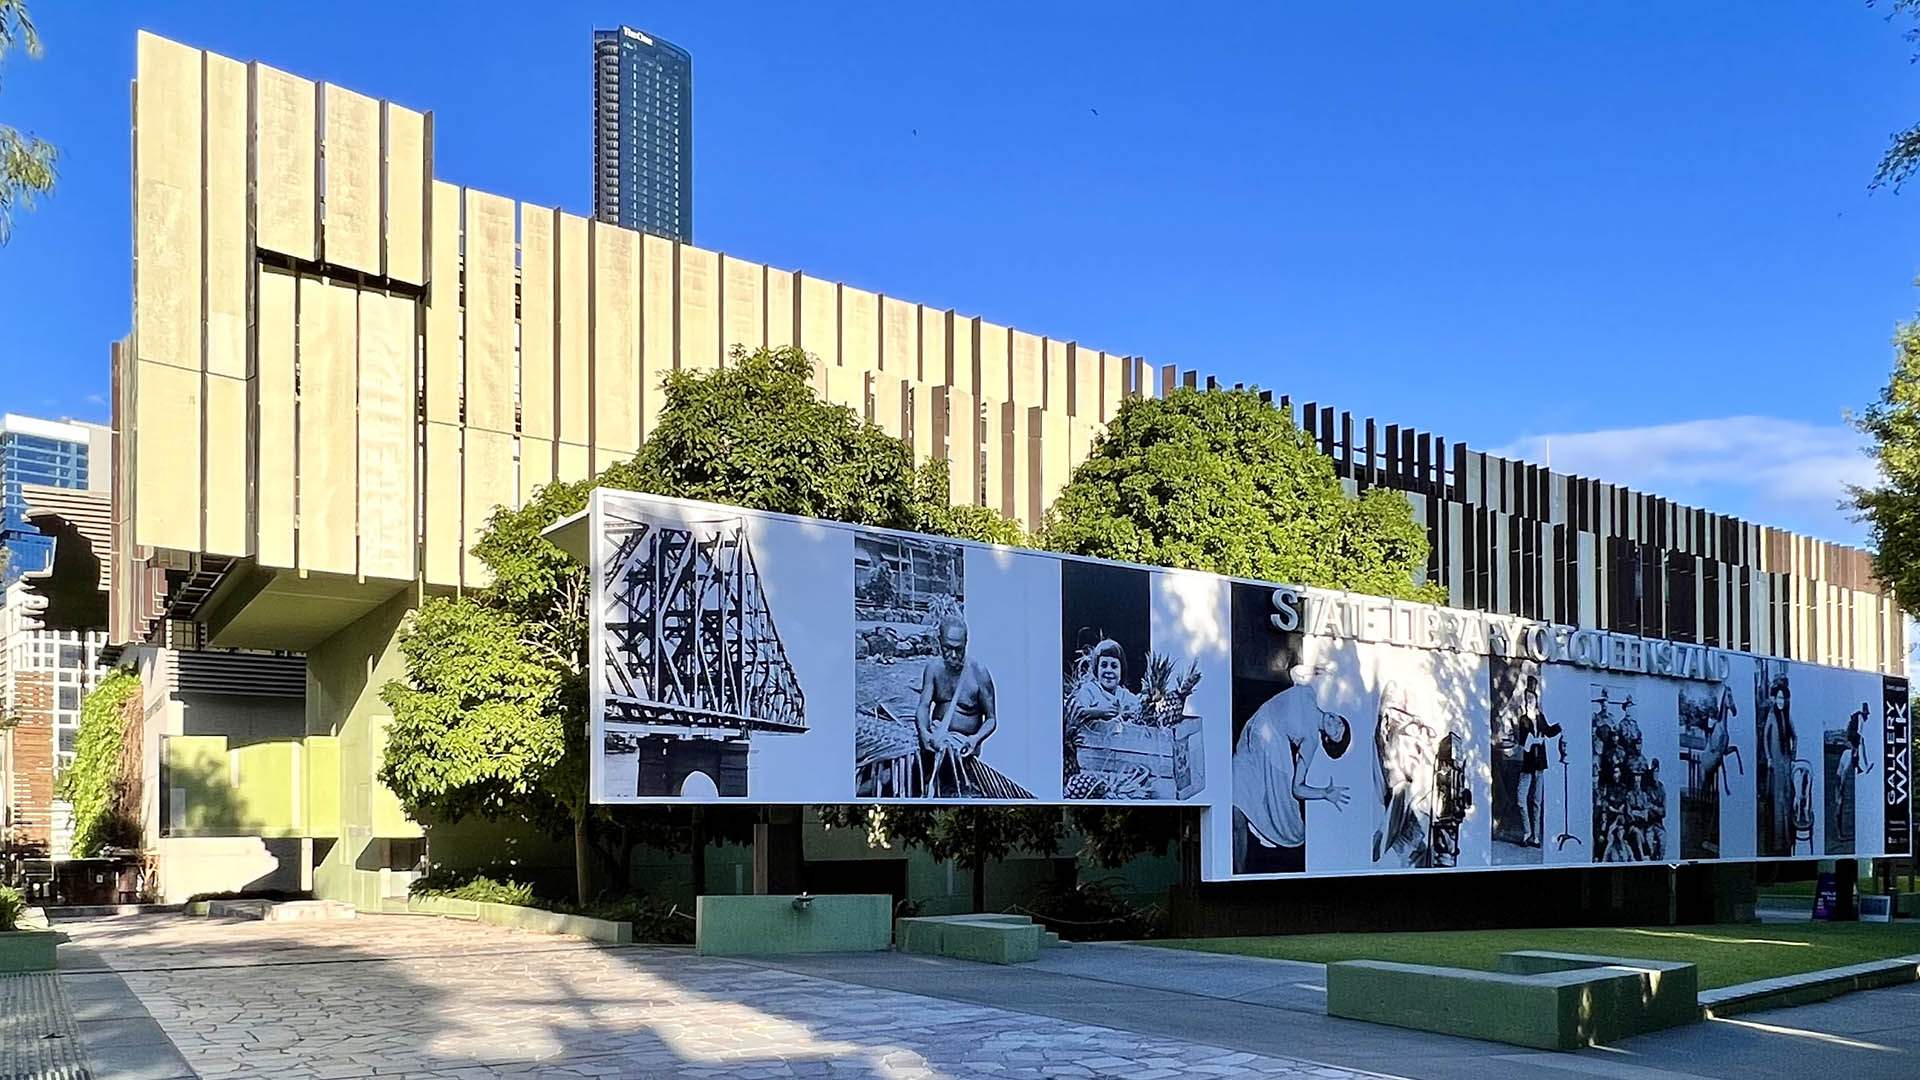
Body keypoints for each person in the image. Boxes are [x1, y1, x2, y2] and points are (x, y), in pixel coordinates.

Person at [1233, 682, 1353, 873]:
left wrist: (1324, 793)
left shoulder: (1311, 741)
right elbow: (1297, 673)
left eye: (1338, 732)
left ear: (1328, 740)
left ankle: (1236, 877)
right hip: (1253, 734)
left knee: (1237, 812)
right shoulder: (1310, 692)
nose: (1337, 724)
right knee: (1236, 803)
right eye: (1341, 722)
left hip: (1270, 755)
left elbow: (1297, 787)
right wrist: (1320, 672)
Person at [915, 613, 998, 792]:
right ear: (939, 643)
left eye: (959, 649)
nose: (953, 655)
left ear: (966, 644)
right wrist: (923, 731)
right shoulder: (933, 669)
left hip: (962, 752)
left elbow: (991, 719)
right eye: (948, 648)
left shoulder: (979, 674)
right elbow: (923, 706)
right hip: (936, 744)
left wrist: (975, 739)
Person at [1373, 681, 1440, 863]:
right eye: (1413, 730)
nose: (1420, 749)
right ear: (1385, 729)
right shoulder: (1374, 817)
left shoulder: (1420, 803)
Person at [1516, 676, 1562, 848]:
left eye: (1532, 698)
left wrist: (1559, 727)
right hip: (1527, 765)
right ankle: (1526, 832)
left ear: (1536, 700)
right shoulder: (1523, 719)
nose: (1530, 701)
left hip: (1540, 766)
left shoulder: (1540, 717)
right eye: (1527, 698)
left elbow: (1548, 732)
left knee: (1537, 802)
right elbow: (1523, 741)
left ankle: (1535, 837)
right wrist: (1535, 740)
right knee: (1521, 800)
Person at [1068, 639, 1142, 722]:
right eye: (1104, 665)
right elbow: (1076, 711)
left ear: (1121, 670)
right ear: (1096, 669)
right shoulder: (1090, 690)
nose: (1109, 670)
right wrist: (1099, 713)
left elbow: (1137, 710)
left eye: (1114, 666)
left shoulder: (1125, 695)